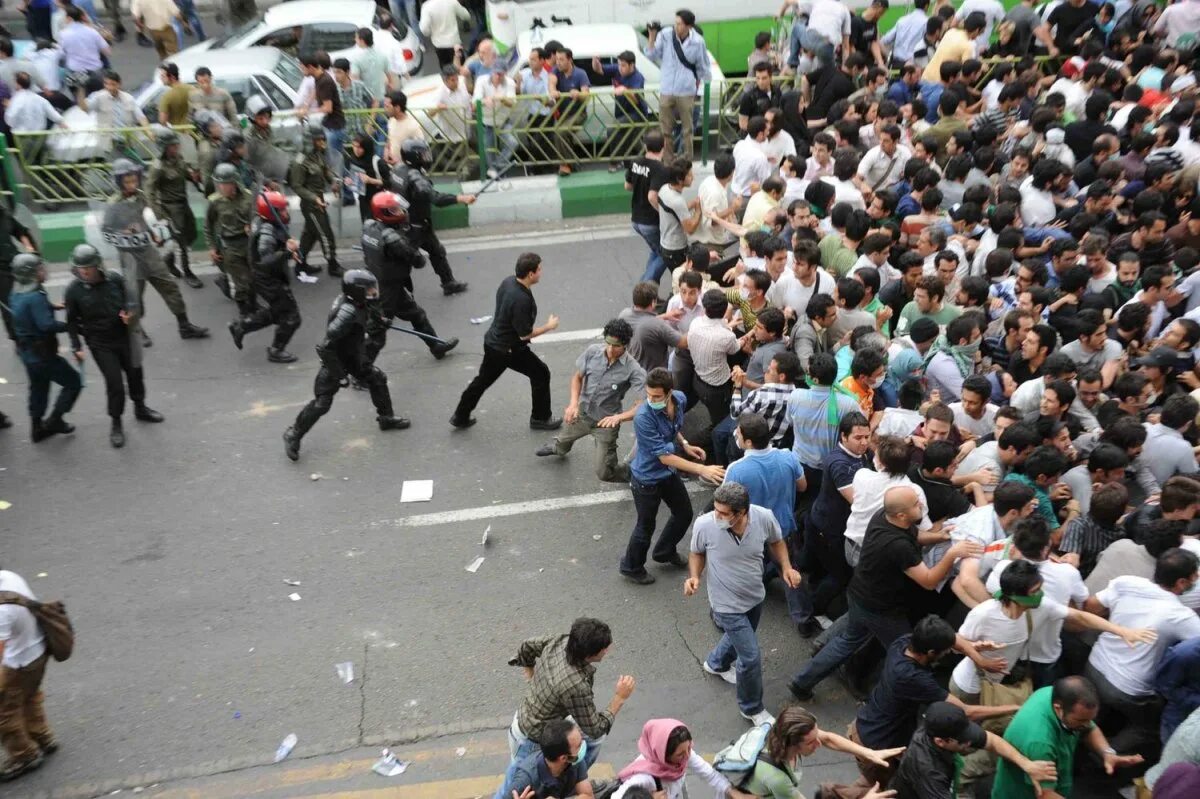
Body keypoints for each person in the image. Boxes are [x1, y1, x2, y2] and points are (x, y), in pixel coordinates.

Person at [789, 486, 984, 701]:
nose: (921, 504)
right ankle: (893, 701)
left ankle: (801, 682)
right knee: (908, 652)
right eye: (915, 503)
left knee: (848, 640)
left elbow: (915, 535)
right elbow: (928, 581)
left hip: (860, 594)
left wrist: (939, 537)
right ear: (901, 514)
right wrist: (953, 553)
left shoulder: (885, 517)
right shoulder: (898, 546)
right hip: (880, 608)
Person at [687, 481, 800, 726]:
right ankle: (752, 708)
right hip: (725, 603)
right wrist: (694, 576)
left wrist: (787, 567)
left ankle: (716, 663)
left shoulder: (764, 517)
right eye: (716, 509)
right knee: (750, 657)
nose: (716, 515)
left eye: (723, 513)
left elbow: (776, 541)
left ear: (742, 512)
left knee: (741, 636)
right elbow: (696, 553)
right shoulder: (705, 524)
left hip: (754, 596)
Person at [282, 271, 411, 461]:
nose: (373, 291)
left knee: (377, 379)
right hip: (337, 361)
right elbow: (325, 347)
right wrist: (339, 374)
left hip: (354, 355)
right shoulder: (346, 313)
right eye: (368, 289)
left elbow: (368, 308)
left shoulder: (356, 301)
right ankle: (293, 434)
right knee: (322, 403)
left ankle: (386, 418)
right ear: (356, 291)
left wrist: (380, 321)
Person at [1084, 548, 1200, 756]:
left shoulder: (1127, 582)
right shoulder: (1182, 616)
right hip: (1129, 689)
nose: (1197, 579)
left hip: (1095, 664)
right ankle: (1105, 756)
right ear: (1181, 582)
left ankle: (1079, 747)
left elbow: (1091, 607)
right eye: (1195, 576)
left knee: (1090, 714)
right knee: (1147, 727)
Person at [622, 367, 724, 584]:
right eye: (648, 395)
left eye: (657, 396)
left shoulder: (679, 399)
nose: (651, 399)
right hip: (647, 478)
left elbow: (672, 427)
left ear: (669, 392)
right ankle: (631, 566)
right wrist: (702, 469)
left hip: (667, 473)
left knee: (684, 512)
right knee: (645, 526)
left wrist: (685, 444)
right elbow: (664, 457)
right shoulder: (643, 418)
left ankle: (664, 551)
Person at [499, 618, 633, 773]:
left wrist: (530, 670)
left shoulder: (561, 642)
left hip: (533, 718)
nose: (607, 650)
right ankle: (574, 780)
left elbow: (528, 645)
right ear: (590, 654)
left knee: (591, 740)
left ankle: (572, 780)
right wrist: (620, 697)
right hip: (531, 741)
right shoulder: (575, 685)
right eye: (604, 648)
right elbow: (596, 729)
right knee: (516, 787)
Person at [64, 244, 162, 448]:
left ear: (98, 265)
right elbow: (71, 321)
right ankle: (116, 422)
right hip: (100, 342)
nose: (84, 271)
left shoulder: (115, 279)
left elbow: (131, 301)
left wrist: (129, 313)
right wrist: (76, 346)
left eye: (88, 267)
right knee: (115, 383)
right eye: (80, 268)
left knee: (135, 372)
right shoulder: (73, 291)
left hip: (124, 337)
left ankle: (140, 407)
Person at [101, 158, 208, 346]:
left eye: (134, 180)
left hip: (148, 252)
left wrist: (153, 233)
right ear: (118, 182)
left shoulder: (141, 196)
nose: (132, 184)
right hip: (130, 257)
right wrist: (125, 232)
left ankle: (184, 325)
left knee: (170, 287)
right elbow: (107, 231)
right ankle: (136, 330)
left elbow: (143, 219)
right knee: (134, 298)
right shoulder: (113, 205)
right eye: (127, 181)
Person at [451, 253, 559, 430]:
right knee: (541, 373)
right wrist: (549, 326)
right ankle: (540, 418)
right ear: (530, 274)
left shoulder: (508, 282)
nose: (541, 272)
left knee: (483, 380)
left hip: (493, 342)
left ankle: (460, 415)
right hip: (508, 350)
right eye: (539, 269)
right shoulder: (521, 300)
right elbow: (525, 335)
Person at [991, 676, 1144, 799]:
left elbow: (1089, 728)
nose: (1086, 724)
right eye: (1080, 721)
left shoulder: (1054, 695)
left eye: (1089, 719)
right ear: (1059, 708)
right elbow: (1044, 794)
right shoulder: (1040, 742)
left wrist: (1107, 753)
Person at [535, 318, 645, 484]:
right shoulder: (593, 352)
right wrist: (573, 403)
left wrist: (619, 417)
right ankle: (558, 449)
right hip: (582, 413)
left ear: (625, 345)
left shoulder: (633, 369)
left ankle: (632, 474)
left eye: (615, 346)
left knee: (604, 472)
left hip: (605, 424)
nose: (609, 349)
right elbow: (577, 377)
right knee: (563, 440)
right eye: (607, 343)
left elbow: (645, 402)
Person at [360, 191, 458, 366]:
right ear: (384, 213)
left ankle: (435, 346)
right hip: (386, 290)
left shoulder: (369, 227)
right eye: (394, 210)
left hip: (382, 283)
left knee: (417, 315)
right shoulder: (393, 239)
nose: (400, 212)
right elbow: (419, 261)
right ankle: (360, 373)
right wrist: (413, 243)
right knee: (377, 333)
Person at [890, 701, 1058, 799]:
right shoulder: (929, 771)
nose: (969, 743)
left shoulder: (940, 728)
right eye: (963, 742)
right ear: (941, 742)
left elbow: (991, 741)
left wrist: (1026, 764)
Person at [9, 254, 81, 443]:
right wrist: (70, 326)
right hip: (44, 355)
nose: (44, 271)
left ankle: (37, 427)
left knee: (39, 388)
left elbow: (28, 313)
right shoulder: (35, 297)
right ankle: (55, 420)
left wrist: (51, 306)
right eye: (40, 269)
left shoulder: (17, 292)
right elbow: (46, 325)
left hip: (28, 354)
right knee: (73, 382)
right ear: (31, 274)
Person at [389, 139, 474, 296]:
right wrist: (460, 199)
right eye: (423, 155)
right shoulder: (415, 177)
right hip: (413, 228)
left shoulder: (398, 169)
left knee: (437, 251)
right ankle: (393, 294)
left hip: (414, 223)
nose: (427, 157)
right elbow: (436, 199)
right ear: (414, 157)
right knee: (404, 262)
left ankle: (448, 283)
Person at [228, 191, 301, 364]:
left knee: (278, 312)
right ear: (271, 212)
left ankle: (242, 326)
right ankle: (276, 350)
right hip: (269, 279)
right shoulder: (267, 231)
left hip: (265, 277)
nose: (285, 213)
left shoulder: (263, 221)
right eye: (281, 210)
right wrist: (287, 252)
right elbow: (267, 260)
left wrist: (288, 252)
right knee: (292, 317)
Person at [0, 566, 55, 781]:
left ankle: (24, 756)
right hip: (39, 649)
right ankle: (42, 737)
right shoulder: (8, 577)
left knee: (5, 713)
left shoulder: (1, 612)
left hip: (20, 662)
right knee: (30, 696)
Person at [613, 719, 751, 798]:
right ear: (664, 755)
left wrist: (734, 792)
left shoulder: (682, 756)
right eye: (680, 754)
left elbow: (709, 774)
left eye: (689, 748)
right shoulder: (645, 778)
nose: (687, 756)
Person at [643, 10, 711, 160]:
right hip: (667, 89)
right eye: (675, 22)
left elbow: (703, 66)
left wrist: (697, 86)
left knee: (687, 130)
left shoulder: (698, 42)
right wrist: (652, 36)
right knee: (665, 130)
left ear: (689, 26)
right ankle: (668, 162)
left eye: (679, 24)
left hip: (686, 91)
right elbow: (651, 55)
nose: (676, 26)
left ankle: (686, 161)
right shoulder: (666, 35)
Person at [145, 128, 203, 290]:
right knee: (182, 241)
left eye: (176, 144)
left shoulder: (178, 159)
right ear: (164, 147)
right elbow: (149, 191)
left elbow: (185, 173)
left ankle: (168, 261)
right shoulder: (158, 167)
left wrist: (194, 177)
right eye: (172, 145)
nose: (176, 147)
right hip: (170, 208)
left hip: (183, 204)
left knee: (191, 234)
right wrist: (159, 215)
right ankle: (188, 272)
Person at [205, 162, 256, 321]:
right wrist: (212, 247)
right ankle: (243, 310)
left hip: (247, 242)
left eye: (225, 183)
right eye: (219, 183)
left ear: (234, 183)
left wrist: (252, 224)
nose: (222, 187)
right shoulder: (215, 202)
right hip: (229, 245)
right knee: (241, 283)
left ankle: (253, 305)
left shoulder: (248, 197)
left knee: (253, 277)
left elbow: (257, 217)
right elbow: (208, 226)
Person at [289, 127, 342, 277]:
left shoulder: (317, 155)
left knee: (309, 235)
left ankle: (300, 264)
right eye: (318, 140)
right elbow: (296, 186)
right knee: (325, 234)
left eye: (323, 139)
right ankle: (333, 265)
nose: (322, 143)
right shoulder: (299, 162)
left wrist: (333, 182)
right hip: (310, 204)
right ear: (310, 141)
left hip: (320, 200)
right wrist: (314, 198)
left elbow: (326, 171)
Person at [496, 719, 594, 799]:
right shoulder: (524, 781)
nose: (583, 746)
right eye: (579, 745)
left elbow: (588, 796)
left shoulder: (574, 761)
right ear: (563, 758)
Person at [626, 130, 669, 284]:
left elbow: (627, 186)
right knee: (665, 254)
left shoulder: (635, 162)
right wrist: (664, 213)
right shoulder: (659, 168)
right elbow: (652, 196)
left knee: (655, 251)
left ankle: (650, 292)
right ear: (663, 146)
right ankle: (644, 287)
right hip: (650, 221)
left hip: (636, 219)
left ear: (645, 147)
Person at [0, 200, 37, 342]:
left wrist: (30, 249)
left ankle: (36, 327)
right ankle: (19, 338)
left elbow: (21, 232)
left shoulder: (4, 215)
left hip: (17, 264)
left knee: (30, 295)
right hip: (1, 272)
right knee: (9, 304)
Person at [419, 0, 470, 67]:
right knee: (460, 68)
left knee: (447, 71)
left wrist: (430, 33)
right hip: (454, 42)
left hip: (439, 44)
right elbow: (466, 16)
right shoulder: (452, 2)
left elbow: (424, 29)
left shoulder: (426, 6)